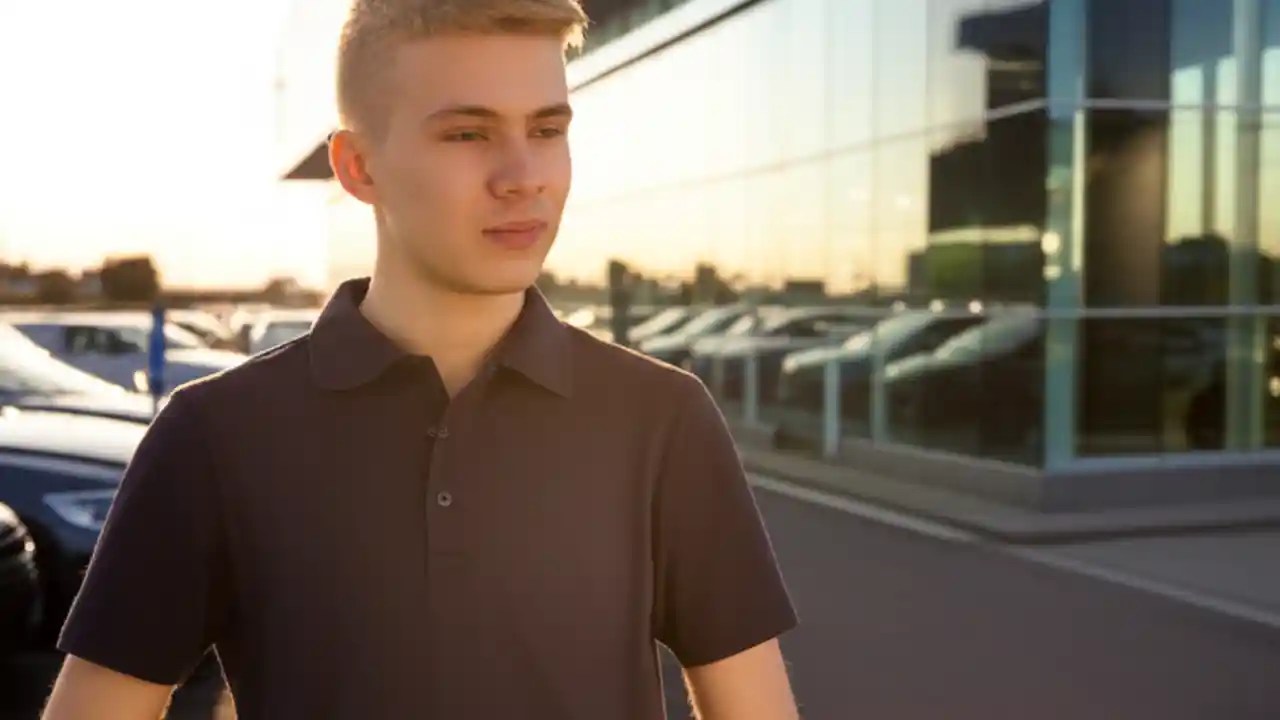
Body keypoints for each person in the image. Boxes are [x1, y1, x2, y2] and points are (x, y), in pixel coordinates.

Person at [41, 0, 800, 718]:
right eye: (468, 134)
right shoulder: (216, 435)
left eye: (546, 128)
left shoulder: (661, 418)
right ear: (357, 168)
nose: (523, 175)